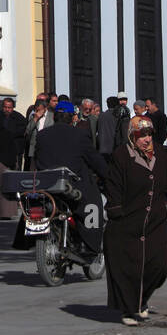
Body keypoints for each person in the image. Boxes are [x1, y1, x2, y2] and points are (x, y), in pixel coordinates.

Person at [103, 117, 167, 324]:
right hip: (127, 223)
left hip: (154, 223)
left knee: (158, 268)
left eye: (149, 135)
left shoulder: (160, 155)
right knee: (129, 270)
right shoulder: (121, 156)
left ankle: (141, 300)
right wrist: (115, 209)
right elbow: (113, 185)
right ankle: (128, 310)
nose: (146, 139)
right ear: (132, 137)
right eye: (141, 135)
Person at [32, 98, 109, 254]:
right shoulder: (79, 135)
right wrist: (108, 176)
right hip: (72, 184)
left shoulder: (42, 135)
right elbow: (94, 159)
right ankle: (91, 245)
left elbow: (37, 159)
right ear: (72, 117)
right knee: (93, 201)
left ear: (54, 117)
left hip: (46, 183)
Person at [2, 97, 27, 168]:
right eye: (5, 107)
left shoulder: (19, 118)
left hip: (15, 150)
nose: (7, 109)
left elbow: (22, 131)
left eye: (9, 108)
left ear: (13, 107)